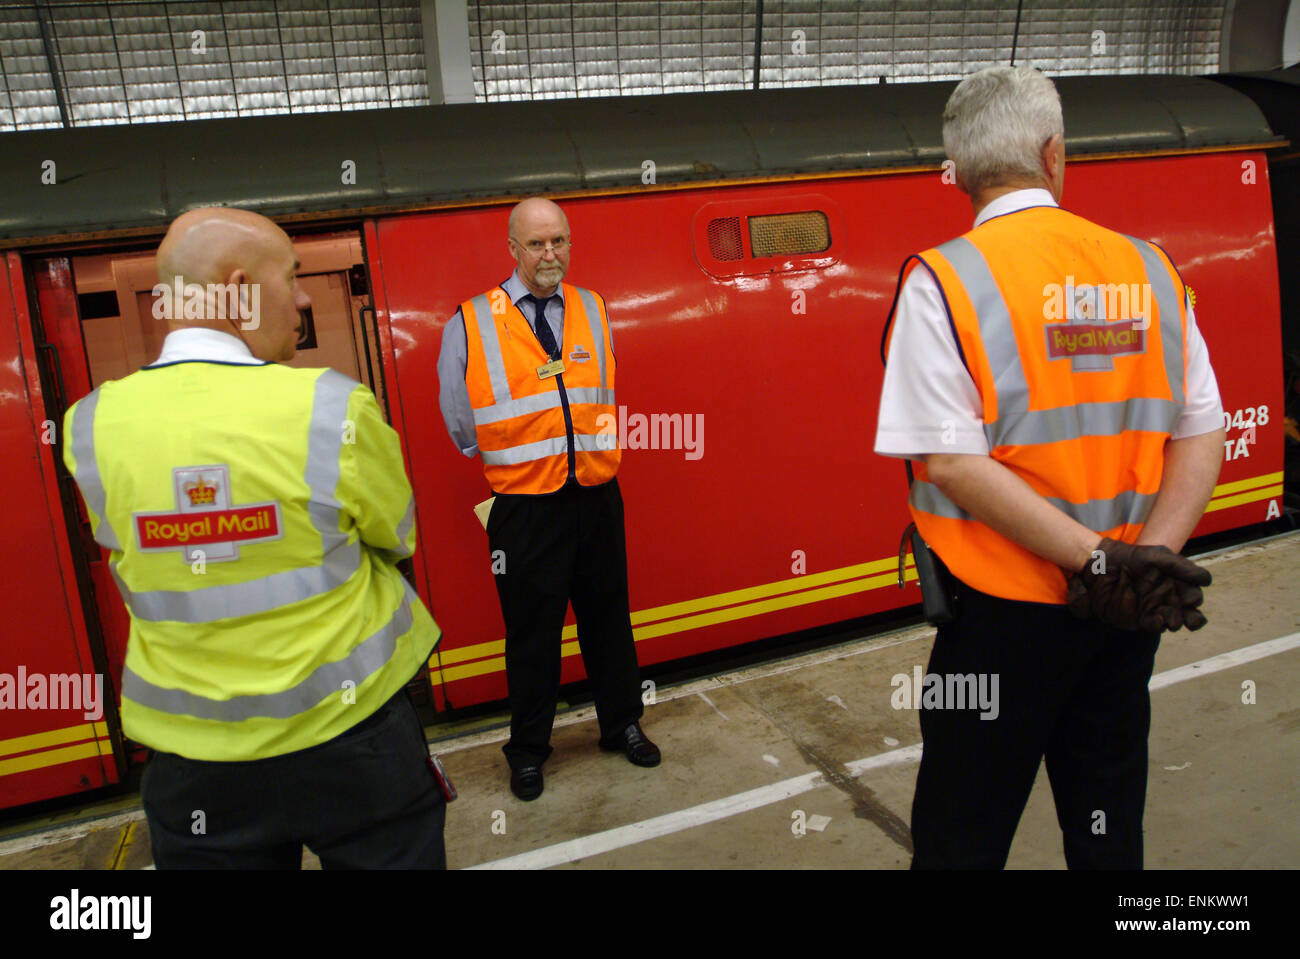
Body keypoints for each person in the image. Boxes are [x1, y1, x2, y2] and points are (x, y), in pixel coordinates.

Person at [875, 66, 1225, 869]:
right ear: (1054, 154)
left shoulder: (944, 282)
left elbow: (953, 465)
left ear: (957, 172)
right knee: (1107, 829)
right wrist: (1143, 565)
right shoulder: (1150, 268)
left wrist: (1096, 561)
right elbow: (1200, 432)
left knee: (962, 834)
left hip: (999, 618)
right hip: (1125, 613)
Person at [63, 207, 446, 868]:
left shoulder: (89, 426)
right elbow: (397, 534)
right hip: (352, 741)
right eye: (292, 276)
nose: (301, 297)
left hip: (196, 766)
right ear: (237, 287)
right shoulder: (333, 407)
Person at [437, 197, 659, 801]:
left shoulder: (593, 307)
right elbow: (460, 424)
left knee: (609, 618)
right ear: (511, 248)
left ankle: (623, 725)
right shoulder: (471, 320)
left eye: (559, 240)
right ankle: (529, 752)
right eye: (536, 244)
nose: (549, 254)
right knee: (531, 634)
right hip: (525, 508)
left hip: (595, 493)